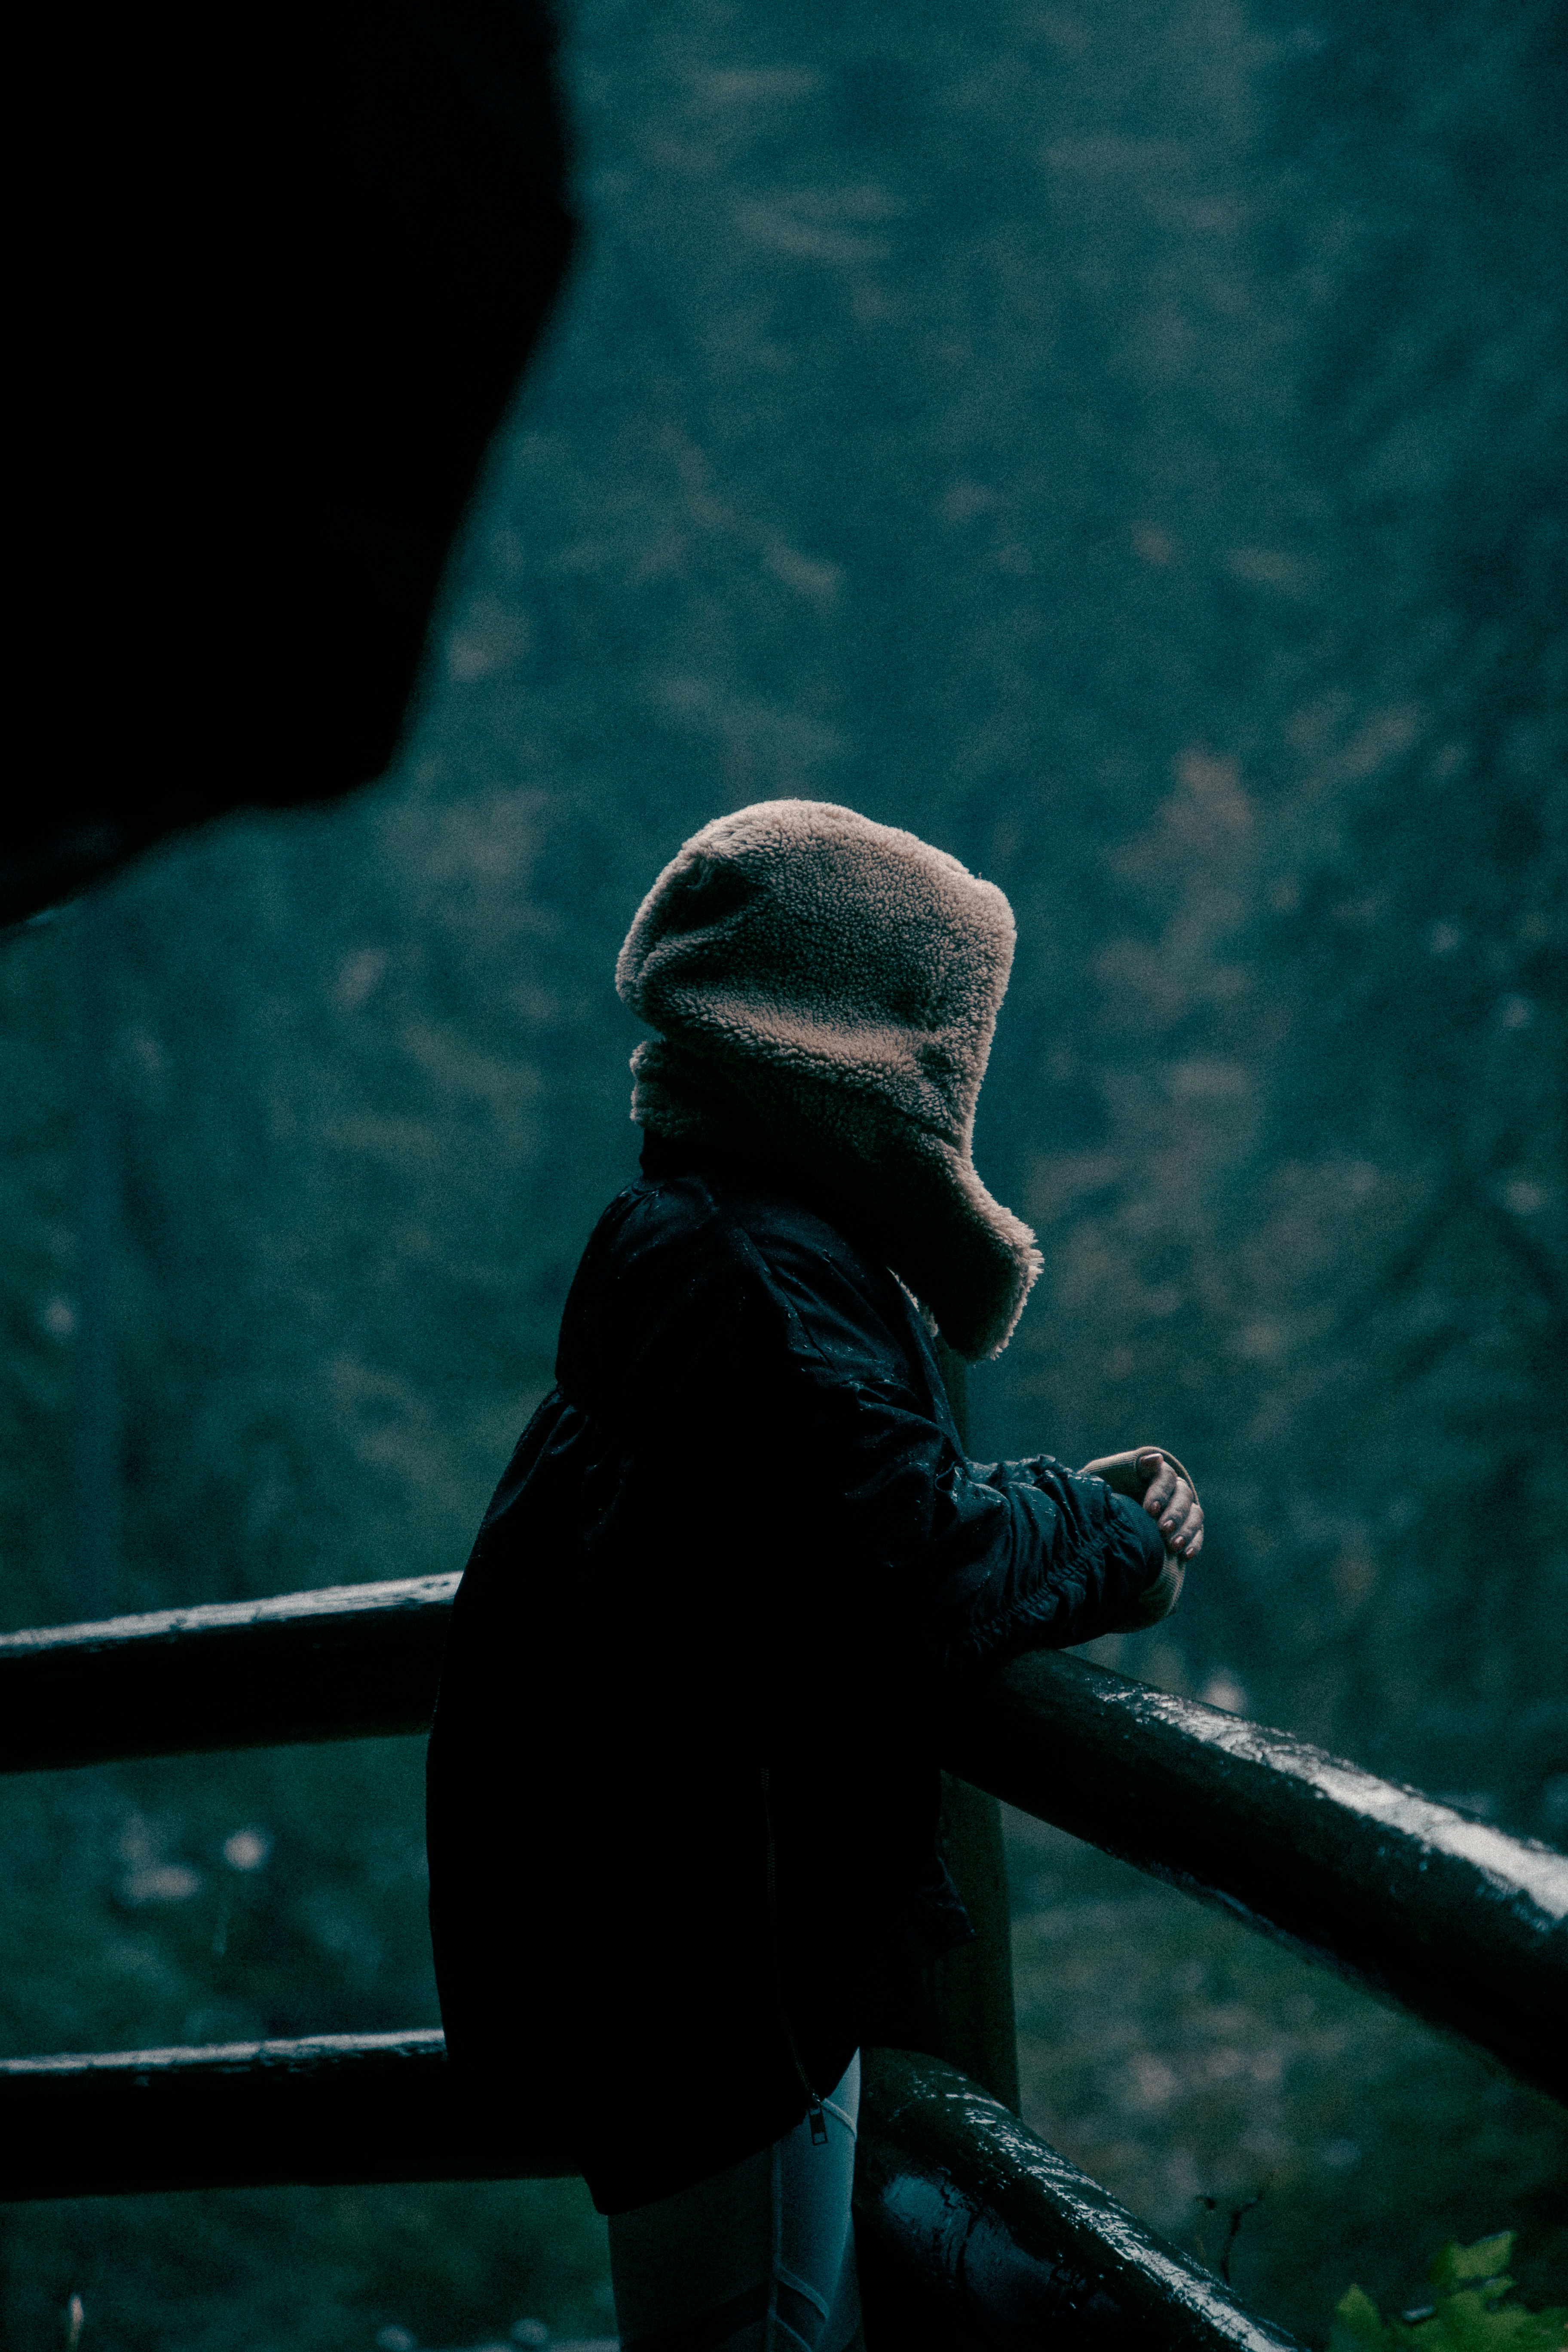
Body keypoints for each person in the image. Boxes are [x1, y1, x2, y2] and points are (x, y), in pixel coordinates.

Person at [425, 799, 1202, 2352]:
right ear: (864, 1038)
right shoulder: (759, 1282)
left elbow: (815, 1514)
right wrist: (1113, 1538)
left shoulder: (702, 1247)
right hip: (715, 1988)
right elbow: (905, 1571)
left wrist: (1018, 1504)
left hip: (671, 1962)